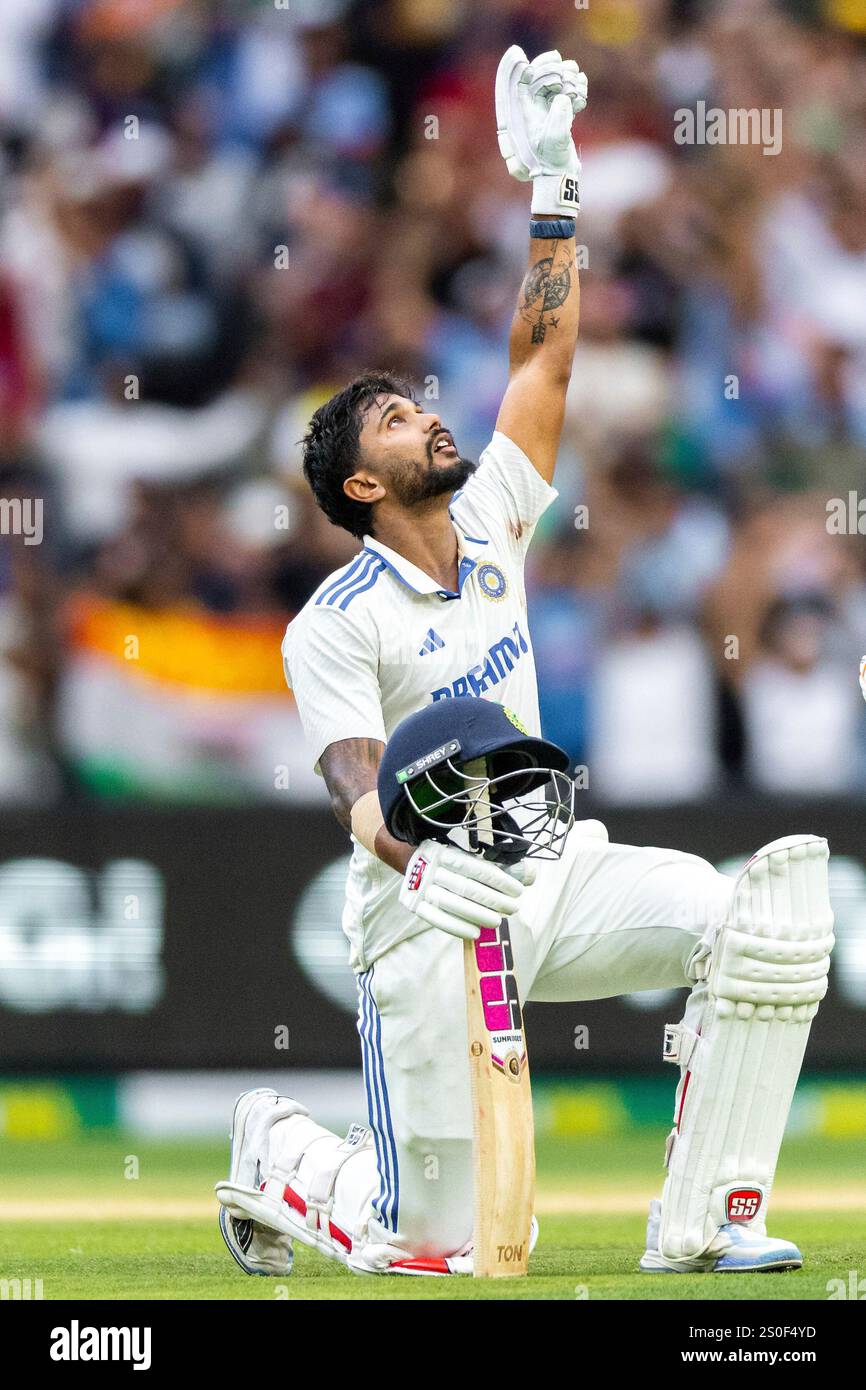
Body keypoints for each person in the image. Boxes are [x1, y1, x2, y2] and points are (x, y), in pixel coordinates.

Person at [215, 48, 833, 1278]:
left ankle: (707, 1218)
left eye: (418, 405)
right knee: (437, 1250)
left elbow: (543, 360)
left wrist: (553, 189)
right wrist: (416, 855)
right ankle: (278, 1144)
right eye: (394, 420)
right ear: (357, 483)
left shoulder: (494, 513)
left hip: (551, 870)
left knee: (750, 928)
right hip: (427, 920)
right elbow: (352, 784)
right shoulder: (332, 619)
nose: (428, 418)